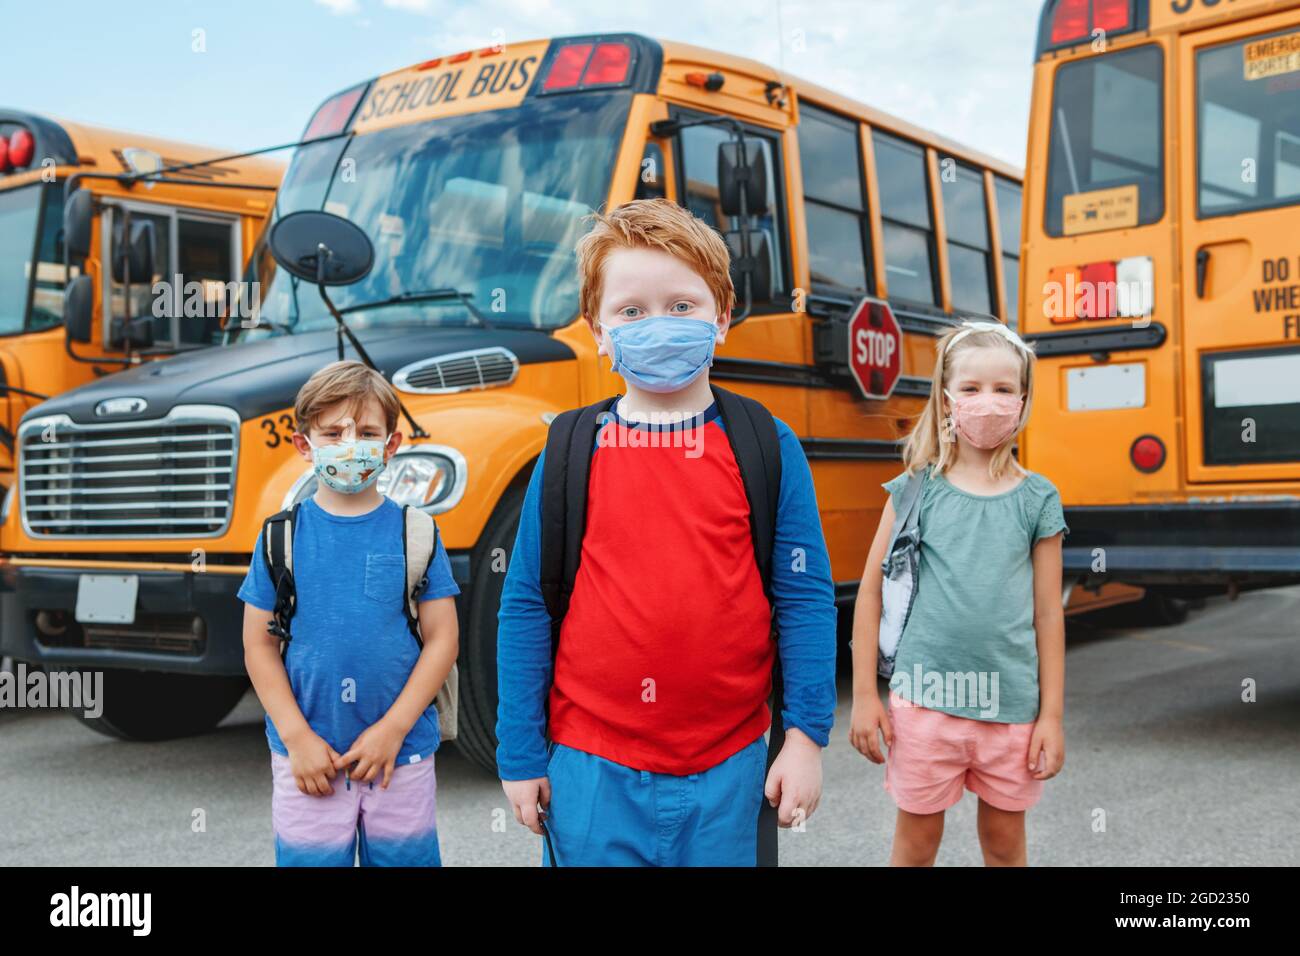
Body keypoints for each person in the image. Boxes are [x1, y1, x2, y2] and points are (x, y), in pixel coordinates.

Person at [495, 197, 838, 866]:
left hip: (731, 770)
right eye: (632, 311)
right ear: (598, 330)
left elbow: (804, 600)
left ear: (723, 318)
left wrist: (805, 739)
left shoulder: (766, 445)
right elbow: (527, 603)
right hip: (590, 768)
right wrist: (520, 753)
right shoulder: (570, 450)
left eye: (682, 306)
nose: (659, 325)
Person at [848, 320, 1068, 866]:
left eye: (1002, 389)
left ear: (1023, 400)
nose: (987, 402)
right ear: (946, 399)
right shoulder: (914, 491)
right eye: (971, 389)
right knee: (916, 849)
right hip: (923, 708)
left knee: (1004, 846)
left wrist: (1052, 717)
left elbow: (1048, 615)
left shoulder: (1038, 498)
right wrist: (864, 696)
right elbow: (871, 594)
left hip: (1011, 709)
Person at [238, 360, 460, 866]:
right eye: (333, 432)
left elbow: (443, 639)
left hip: (400, 757)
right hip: (308, 762)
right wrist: (296, 737)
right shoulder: (281, 538)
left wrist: (393, 729)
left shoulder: (416, 533)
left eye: (366, 432)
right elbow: (258, 645)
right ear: (304, 445)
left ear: (391, 445)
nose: (350, 443)